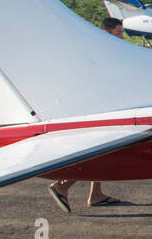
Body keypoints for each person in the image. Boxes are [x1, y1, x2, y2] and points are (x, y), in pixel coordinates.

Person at [47, 17, 127, 212]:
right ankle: (63, 185)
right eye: (118, 32)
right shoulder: (104, 51)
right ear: (107, 32)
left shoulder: (107, 50)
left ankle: (96, 195)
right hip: (104, 108)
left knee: (105, 150)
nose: (122, 35)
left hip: (109, 106)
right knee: (105, 151)